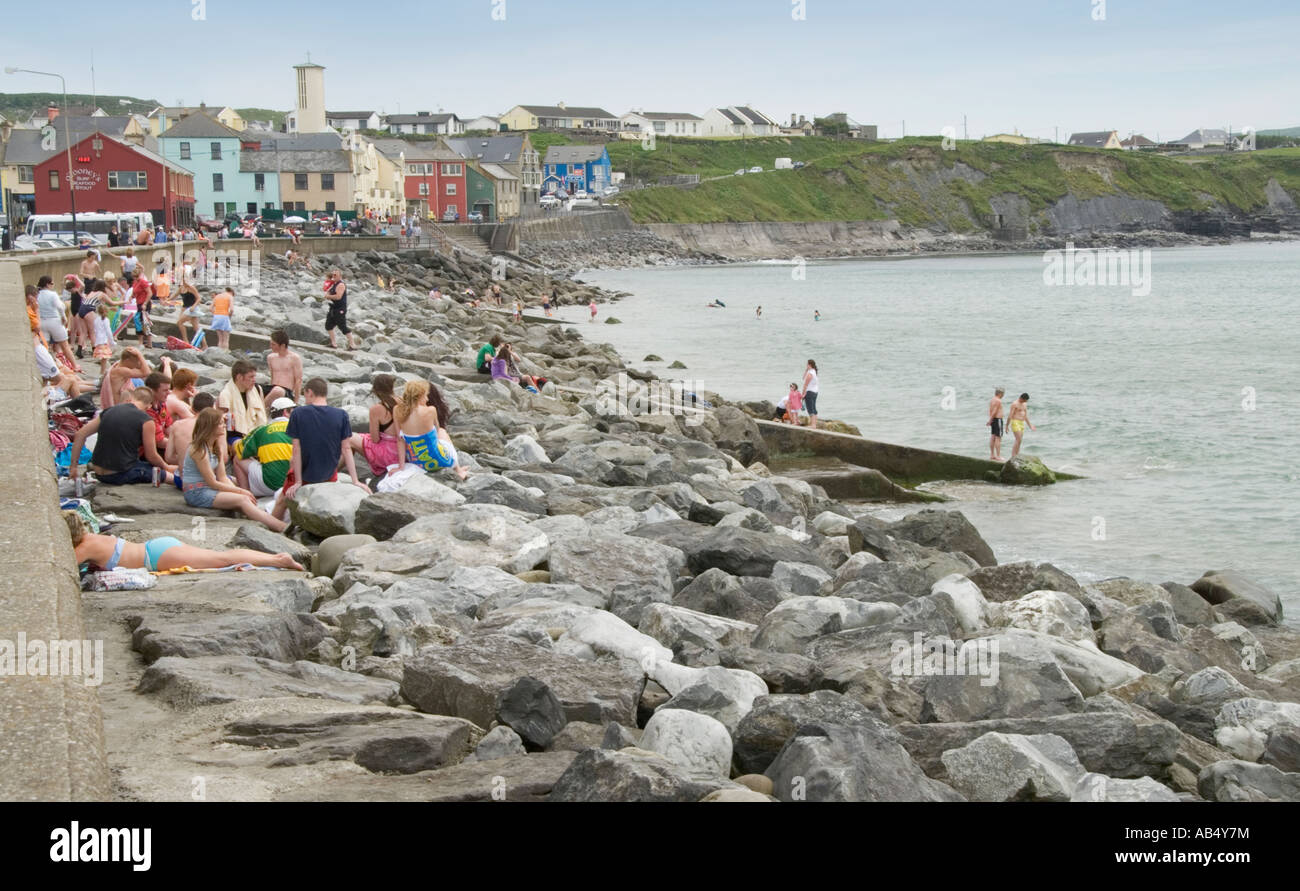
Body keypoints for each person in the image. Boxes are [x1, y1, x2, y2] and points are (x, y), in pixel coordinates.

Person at [64, 510, 303, 574]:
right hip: (157, 548)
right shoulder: (92, 537)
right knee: (216, 557)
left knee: (221, 559)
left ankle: (278, 559)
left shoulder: (84, 547)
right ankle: (274, 559)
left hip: (157, 558)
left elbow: (62, 568)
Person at [273, 378, 368, 521]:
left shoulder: (298, 413)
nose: (305, 400)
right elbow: (346, 449)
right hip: (329, 475)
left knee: (282, 501)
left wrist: (298, 482)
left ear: (310, 392)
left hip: (305, 475)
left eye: (305, 395)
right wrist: (355, 481)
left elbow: (296, 450)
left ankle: (272, 527)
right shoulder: (341, 415)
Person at [183, 407, 289, 532]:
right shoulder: (199, 449)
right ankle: (282, 527)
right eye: (220, 423)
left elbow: (222, 477)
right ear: (210, 426)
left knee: (244, 498)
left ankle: (270, 519)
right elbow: (212, 482)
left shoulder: (215, 447)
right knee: (243, 499)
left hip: (209, 488)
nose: (224, 426)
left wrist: (238, 491)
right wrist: (241, 492)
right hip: (197, 491)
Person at [70, 387, 178, 487]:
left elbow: (80, 435)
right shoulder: (146, 420)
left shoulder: (108, 411)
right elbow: (151, 456)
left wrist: (73, 467)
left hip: (98, 471)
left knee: (143, 465)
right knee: (167, 475)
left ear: (131, 398)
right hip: (119, 473)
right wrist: (166, 467)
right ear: (149, 406)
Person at [394, 378, 467, 481]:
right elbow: (437, 430)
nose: (427, 399)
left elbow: (400, 439)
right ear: (419, 396)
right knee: (442, 432)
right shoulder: (430, 410)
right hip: (440, 461)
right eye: (426, 396)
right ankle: (458, 469)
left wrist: (401, 467)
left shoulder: (397, 410)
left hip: (418, 463)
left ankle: (458, 468)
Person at [233, 398, 295, 497]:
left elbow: (240, 450)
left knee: (237, 459)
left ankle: (246, 495)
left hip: (269, 485)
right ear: (285, 413)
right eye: (294, 410)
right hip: (294, 485)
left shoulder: (261, 430)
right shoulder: (300, 428)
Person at [346, 374, 401, 479]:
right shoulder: (401, 401)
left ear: (376, 390)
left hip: (389, 455)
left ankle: (333, 473)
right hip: (402, 452)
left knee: (349, 438)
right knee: (360, 437)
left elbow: (375, 439)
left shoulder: (377, 409)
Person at [218, 360, 268, 444]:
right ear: (239, 377)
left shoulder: (258, 389)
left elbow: (263, 412)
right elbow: (222, 423)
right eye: (251, 377)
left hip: (256, 432)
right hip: (235, 435)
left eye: (254, 377)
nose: (254, 380)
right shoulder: (226, 394)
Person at [36, 275, 80, 371]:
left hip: (43, 322)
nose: (52, 285)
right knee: (65, 345)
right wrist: (64, 317)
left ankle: (46, 367)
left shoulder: (38, 295)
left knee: (45, 347)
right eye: (52, 283)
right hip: (54, 321)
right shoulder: (52, 294)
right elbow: (60, 307)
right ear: (47, 284)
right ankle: (75, 365)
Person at [166, 392, 215, 466]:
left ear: (192, 408)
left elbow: (169, 457)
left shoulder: (177, 425)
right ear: (212, 410)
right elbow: (223, 457)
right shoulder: (216, 427)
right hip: (204, 474)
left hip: (180, 475)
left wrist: (186, 463)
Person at [322, 270, 357, 350]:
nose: (333, 276)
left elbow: (338, 297)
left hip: (340, 308)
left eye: (335, 275)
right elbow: (328, 291)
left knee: (342, 326)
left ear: (340, 276)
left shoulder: (340, 284)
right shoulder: (334, 284)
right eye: (333, 275)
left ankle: (353, 344)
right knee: (328, 325)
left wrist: (328, 297)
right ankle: (333, 343)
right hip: (333, 307)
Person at [266, 329, 303, 403]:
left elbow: (298, 381)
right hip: (273, 388)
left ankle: (261, 409)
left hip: (286, 391)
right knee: (256, 387)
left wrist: (295, 401)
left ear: (282, 345)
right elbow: (272, 377)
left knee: (277, 390)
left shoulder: (294, 358)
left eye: (273, 344)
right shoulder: (271, 357)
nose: (271, 346)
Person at [1007, 393, 1035, 458]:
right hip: (1015, 422)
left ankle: (1017, 454)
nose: (1026, 401)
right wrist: (1007, 425)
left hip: (1021, 423)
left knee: (1020, 440)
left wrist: (1030, 425)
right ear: (1021, 398)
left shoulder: (1024, 404)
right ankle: (1013, 455)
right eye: (1025, 400)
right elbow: (1010, 415)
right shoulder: (1014, 404)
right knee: (1018, 439)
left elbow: (1025, 416)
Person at [91, 303, 116, 377]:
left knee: (103, 360)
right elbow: (108, 331)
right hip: (104, 341)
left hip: (98, 341)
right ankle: (102, 374)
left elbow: (95, 331)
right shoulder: (106, 320)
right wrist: (112, 341)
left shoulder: (96, 320)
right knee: (104, 359)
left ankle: (103, 372)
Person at [176, 275, 202, 344]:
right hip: (186, 308)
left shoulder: (191, 287)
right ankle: (204, 345)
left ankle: (186, 341)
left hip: (192, 309)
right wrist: (167, 300)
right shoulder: (181, 288)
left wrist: (193, 307)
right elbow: (174, 295)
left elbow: (199, 298)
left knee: (180, 323)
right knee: (196, 328)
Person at [210, 286, 233, 350]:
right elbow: (231, 310)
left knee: (220, 339)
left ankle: (218, 353)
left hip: (216, 316)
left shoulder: (217, 296)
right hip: (224, 316)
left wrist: (215, 314)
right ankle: (225, 354)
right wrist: (229, 317)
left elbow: (210, 308)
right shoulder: (230, 297)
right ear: (231, 292)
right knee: (226, 339)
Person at [987, 388, 1006, 461]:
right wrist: (990, 420)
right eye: (1003, 394)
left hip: (994, 420)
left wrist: (991, 419)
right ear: (1000, 394)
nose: (1003, 396)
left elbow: (990, 410)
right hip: (998, 420)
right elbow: (995, 411)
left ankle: (992, 455)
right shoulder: (998, 401)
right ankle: (998, 456)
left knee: (993, 437)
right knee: (998, 438)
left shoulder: (992, 400)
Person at [801, 359, 820, 429]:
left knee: (810, 409)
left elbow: (805, 385)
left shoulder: (810, 374)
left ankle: (813, 425)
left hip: (809, 392)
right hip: (815, 392)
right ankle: (814, 424)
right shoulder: (814, 371)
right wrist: (806, 370)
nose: (806, 365)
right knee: (814, 408)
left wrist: (803, 394)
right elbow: (803, 378)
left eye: (807, 364)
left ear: (809, 365)